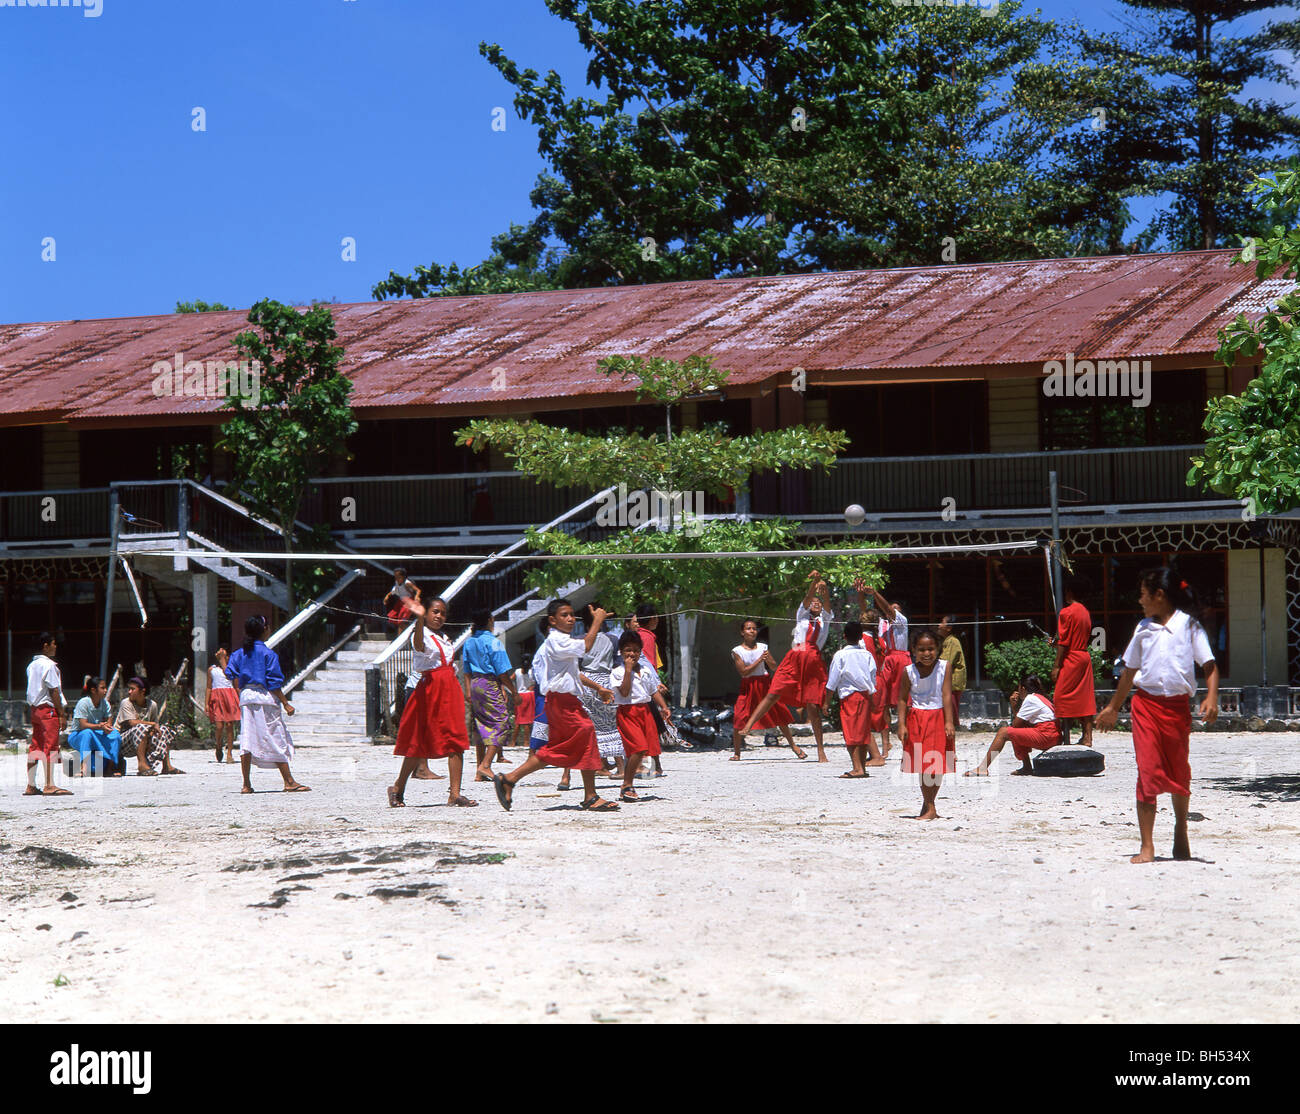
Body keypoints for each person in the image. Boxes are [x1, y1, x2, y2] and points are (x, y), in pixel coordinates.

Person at [1096, 567, 1219, 864]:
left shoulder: (1189, 627)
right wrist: (1113, 707)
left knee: (1179, 770)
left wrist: (1212, 696)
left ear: (1159, 596)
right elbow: (1129, 672)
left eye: (1142, 595)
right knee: (1147, 771)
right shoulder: (1142, 629)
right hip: (1146, 707)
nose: (1140, 601)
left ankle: (1180, 827)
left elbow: (1210, 666)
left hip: (1177, 710)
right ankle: (1147, 846)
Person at [493, 599, 619, 813]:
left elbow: (571, 673)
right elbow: (586, 647)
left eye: (572, 615)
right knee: (585, 733)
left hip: (565, 700)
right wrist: (596, 622)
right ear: (552, 620)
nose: (570, 619)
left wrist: (598, 688)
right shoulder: (556, 640)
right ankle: (589, 796)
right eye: (564, 615)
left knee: (568, 746)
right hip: (561, 702)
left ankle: (511, 779)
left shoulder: (562, 641)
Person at [388, 598, 475, 808]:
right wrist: (418, 620)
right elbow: (418, 645)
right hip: (429, 690)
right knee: (418, 742)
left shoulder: (444, 637)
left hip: (449, 689)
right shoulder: (421, 634)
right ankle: (398, 788)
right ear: (426, 614)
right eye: (435, 612)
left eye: (443, 613)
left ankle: (455, 794)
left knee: (456, 738)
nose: (439, 616)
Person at [741, 570, 833, 761]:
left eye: (819, 602)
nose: (816, 603)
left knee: (812, 707)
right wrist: (815, 582)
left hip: (813, 659)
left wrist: (824, 592)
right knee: (774, 692)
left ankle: (820, 749)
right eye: (813, 602)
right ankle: (749, 724)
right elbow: (808, 597)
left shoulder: (825, 619)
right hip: (796, 655)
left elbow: (827, 604)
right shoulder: (802, 616)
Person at [225, 615, 309, 794]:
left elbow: (229, 673)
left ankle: (246, 784)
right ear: (265, 629)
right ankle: (289, 781)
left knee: (247, 739)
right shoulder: (268, 654)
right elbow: (274, 683)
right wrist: (286, 703)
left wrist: (223, 660)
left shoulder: (239, 653)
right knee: (275, 736)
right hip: (264, 698)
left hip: (246, 698)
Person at [896, 628, 955, 820]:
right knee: (923, 764)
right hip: (917, 720)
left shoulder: (944, 667)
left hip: (938, 717)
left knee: (936, 764)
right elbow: (903, 699)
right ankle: (930, 806)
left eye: (931, 649)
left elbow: (946, 695)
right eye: (921, 649)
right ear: (913, 650)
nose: (927, 653)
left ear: (937, 649)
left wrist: (949, 721)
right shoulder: (908, 671)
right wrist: (902, 724)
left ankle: (930, 805)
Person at [611, 632, 674, 802]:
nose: (632, 654)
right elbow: (624, 692)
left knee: (644, 749)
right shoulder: (618, 672)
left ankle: (628, 784)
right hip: (627, 712)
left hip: (644, 711)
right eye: (628, 650)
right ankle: (626, 784)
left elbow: (653, 691)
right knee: (637, 748)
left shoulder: (645, 670)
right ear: (621, 652)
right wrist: (628, 670)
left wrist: (664, 707)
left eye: (636, 651)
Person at [729, 618, 802, 760]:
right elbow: (744, 672)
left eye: (754, 629)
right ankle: (737, 753)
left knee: (779, 715)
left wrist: (768, 659)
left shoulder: (763, 647)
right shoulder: (737, 651)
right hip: (749, 685)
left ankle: (794, 746)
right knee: (739, 716)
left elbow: (774, 666)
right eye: (749, 628)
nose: (752, 631)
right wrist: (759, 660)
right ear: (742, 632)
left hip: (764, 683)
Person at [965, 675, 1060, 777]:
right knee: (1017, 731)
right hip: (1053, 735)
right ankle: (1027, 767)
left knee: (1003, 732)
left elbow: (1015, 725)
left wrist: (1014, 706)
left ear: (1023, 689)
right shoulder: (1041, 697)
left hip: (1046, 735)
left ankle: (983, 768)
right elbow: (1020, 725)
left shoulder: (1030, 699)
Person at [463, 608, 518, 782]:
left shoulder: (469, 642)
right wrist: (514, 691)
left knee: (480, 725)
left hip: (475, 684)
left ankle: (479, 772)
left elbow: (466, 670)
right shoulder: (493, 642)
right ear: (490, 621)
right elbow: (502, 672)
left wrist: (467, 690)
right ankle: (486, 764)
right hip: (489, 683)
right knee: (502, 723)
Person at [826, 621, 883, 778]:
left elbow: (832, 682)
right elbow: (872, 677)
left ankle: (857, 768)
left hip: (850, 697)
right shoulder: (867, 655)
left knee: (851, 734)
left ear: (844, 636)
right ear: (860, 637)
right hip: (865, 695)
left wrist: (825, 703)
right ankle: (862, 767)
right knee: (863, 733)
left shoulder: (841, 655)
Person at [575, 603, 623, 780]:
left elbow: (577, 666)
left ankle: (598, 765)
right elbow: (617, 663)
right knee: (610, 724)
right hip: (606, 680)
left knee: (589, 725)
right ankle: (620, 766)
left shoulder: (580, 639)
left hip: (585, 681)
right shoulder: (613, 639)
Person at [1052, 573, 1097, 746]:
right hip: (1083, 655)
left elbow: (1064, 642)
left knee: (1061, 697)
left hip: (1072, 658)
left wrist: (1056, 666)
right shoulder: (1084, 611)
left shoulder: (1067, 612)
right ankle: (1087, 736)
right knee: (1084, 697)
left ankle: (1062, 736)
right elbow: (1073, 638)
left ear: (1069, 591)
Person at [25, 632, 70, 796]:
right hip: (47, 709)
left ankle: (31, 785)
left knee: (35, 746)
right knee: (50, 746)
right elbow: (54, 691)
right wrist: (61, 714)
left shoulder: (32, 665)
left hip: (35, 709)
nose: (55, 646)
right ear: (46, 645)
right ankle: (49, 784)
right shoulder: (49, 666)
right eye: (53, 643)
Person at [114, 678, 183, 775]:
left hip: (142, 739)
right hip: (123, 742)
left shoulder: (152, 705)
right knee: (141, 727)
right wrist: (151, 725)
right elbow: (131, 723)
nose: (129, 692)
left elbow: (155, 725)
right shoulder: (126, 703)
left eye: (132, 689)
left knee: (164, 729)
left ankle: (167, 766)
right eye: (129, 689)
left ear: (142, 691)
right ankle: (142, 764)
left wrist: (152, 729)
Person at [872, 586, 912, 739]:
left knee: (906, 699)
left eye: (896, 609)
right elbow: (865, 611)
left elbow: (887, 609)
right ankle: (886, 739)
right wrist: (863, 594)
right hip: (887, 660)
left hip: (901, 659)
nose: (892, 611)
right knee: (884, 699)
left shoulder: (902, 620)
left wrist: (875, 593)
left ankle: (906, 731)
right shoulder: (882, 624)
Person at [69, 677, 122, 777]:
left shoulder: (105, 703)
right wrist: (100, 726)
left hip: (97, 733)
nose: (105, 690)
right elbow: (83, 725)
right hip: (78, 735)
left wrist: (106, 728)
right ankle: (83, 767)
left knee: (115, 734)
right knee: (87, 733)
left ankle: (110, 767)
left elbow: (109, 723)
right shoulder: (84, 703)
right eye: (102, 688)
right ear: (93, 690)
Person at [207, 648, 240, 763]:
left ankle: (230, 752)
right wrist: (207, 703)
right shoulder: (212, 670)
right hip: (217, 697)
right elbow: (209, 687)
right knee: (219, 726)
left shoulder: (232, 669)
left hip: (230, 697)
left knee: (230, 725)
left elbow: (234, 683)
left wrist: (240, 700)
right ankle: (218, 744)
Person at [936, 615, 967, 730]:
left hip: (952, 683)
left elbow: (945, 662)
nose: (939, 625)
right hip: (949, 683)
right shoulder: (947, 641)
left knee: (950, 710)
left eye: (941, 622)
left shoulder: (952, 641)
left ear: (949, 627)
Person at [510, 655, 536, 748]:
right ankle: (526, 742)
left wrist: (513, 691)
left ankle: (512, 742)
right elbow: (534, 683)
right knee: (528, 721)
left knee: (518, 720)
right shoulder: (532, 671)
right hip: (529, 695)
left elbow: (509, 680)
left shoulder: (517, 671)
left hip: (520, 695)